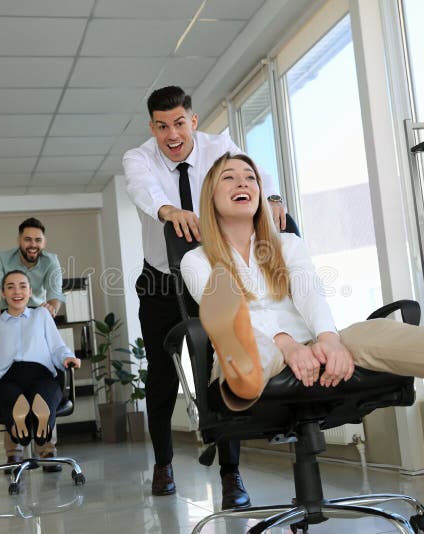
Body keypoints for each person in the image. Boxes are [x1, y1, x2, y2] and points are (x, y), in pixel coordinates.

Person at [180, 152, 424, 411]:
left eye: (250, 177)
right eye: (228, 178)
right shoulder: (195, 260)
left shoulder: (288, 244)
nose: (242, 182)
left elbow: (310, 294)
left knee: (369, 333)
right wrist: (285, 343)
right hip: (254, 348)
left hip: (309, 341)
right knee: (254, 343)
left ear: (261, 194)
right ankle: (244, 371)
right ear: (210, 197)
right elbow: (242, 315)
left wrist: (329, 339)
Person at [123, 85, 286, 509]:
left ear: (193, 120)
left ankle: (231, 475)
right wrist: (169, 211)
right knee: (161, 375)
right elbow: (143, 190)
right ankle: (163, 463)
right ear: (152, 128)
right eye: (162, 127)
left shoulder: (219, 147)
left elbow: (252, 173)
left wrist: (272, 198)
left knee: (224, 361)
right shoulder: (139, 157)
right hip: (160, 281)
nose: (172, 134)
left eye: (179, 123)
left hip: (212, 276)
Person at [0, 217, 66, 468]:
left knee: (43, 378)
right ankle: (14, 450)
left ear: (44, 242)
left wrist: (50, 309)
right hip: (7, 316)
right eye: (28, 239)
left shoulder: (51, 261)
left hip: (38, 317)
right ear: (19, 241)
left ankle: (47, 449)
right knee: (10, 380)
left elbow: (56, 292)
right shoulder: (3, 258)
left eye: (38, 240)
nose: (33, 244)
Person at [0, 271, 81, 456]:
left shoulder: (41, 314)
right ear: (3, 294)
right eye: (10, 287)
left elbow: (58, 347)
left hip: (41, 374)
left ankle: (37, 425)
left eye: (22, 286)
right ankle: (22, 423)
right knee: (10, 396)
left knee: (44, 394)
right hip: (7, 378)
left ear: (30, 291)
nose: (17, 291)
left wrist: (67, 357)